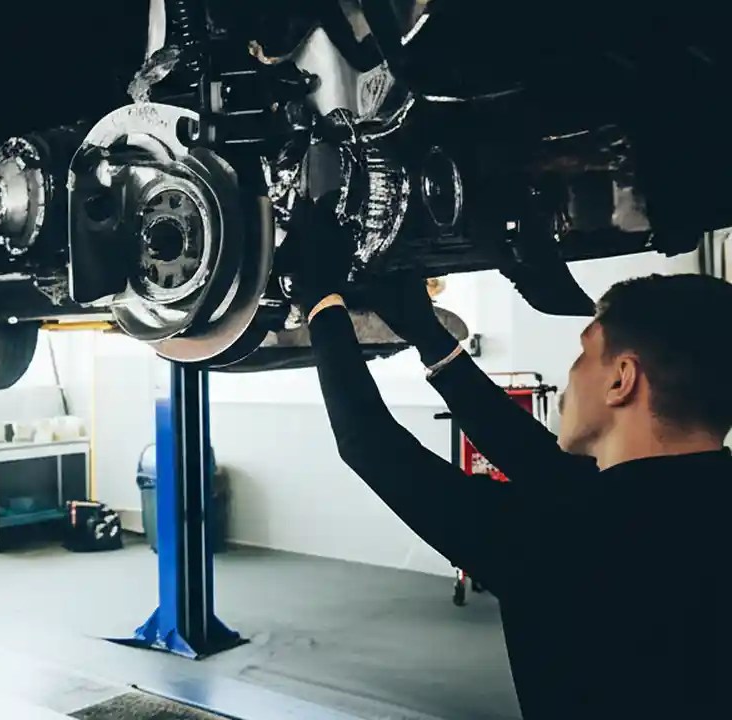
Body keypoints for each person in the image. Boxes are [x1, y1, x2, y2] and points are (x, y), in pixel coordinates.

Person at [291, 197, 731, 718]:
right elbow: (540, 464)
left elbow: (369, 443)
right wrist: (429, 336)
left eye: (583, 354)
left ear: (622, 380)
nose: (570, 377)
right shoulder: (678, 505)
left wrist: (320, 302)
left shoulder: (572, 539)